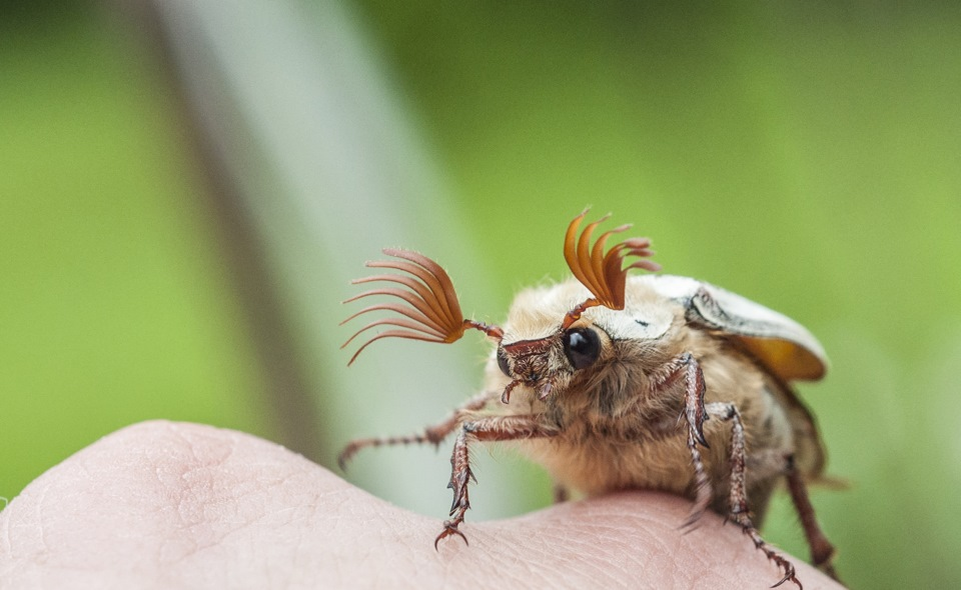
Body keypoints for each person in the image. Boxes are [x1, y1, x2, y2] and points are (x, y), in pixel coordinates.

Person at [0, 421, 843, 589]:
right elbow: (484, 421)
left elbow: (737, 408)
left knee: (744, 433)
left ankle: (811, 552)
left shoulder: (657, 367)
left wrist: (707, 474)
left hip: (729, 454)